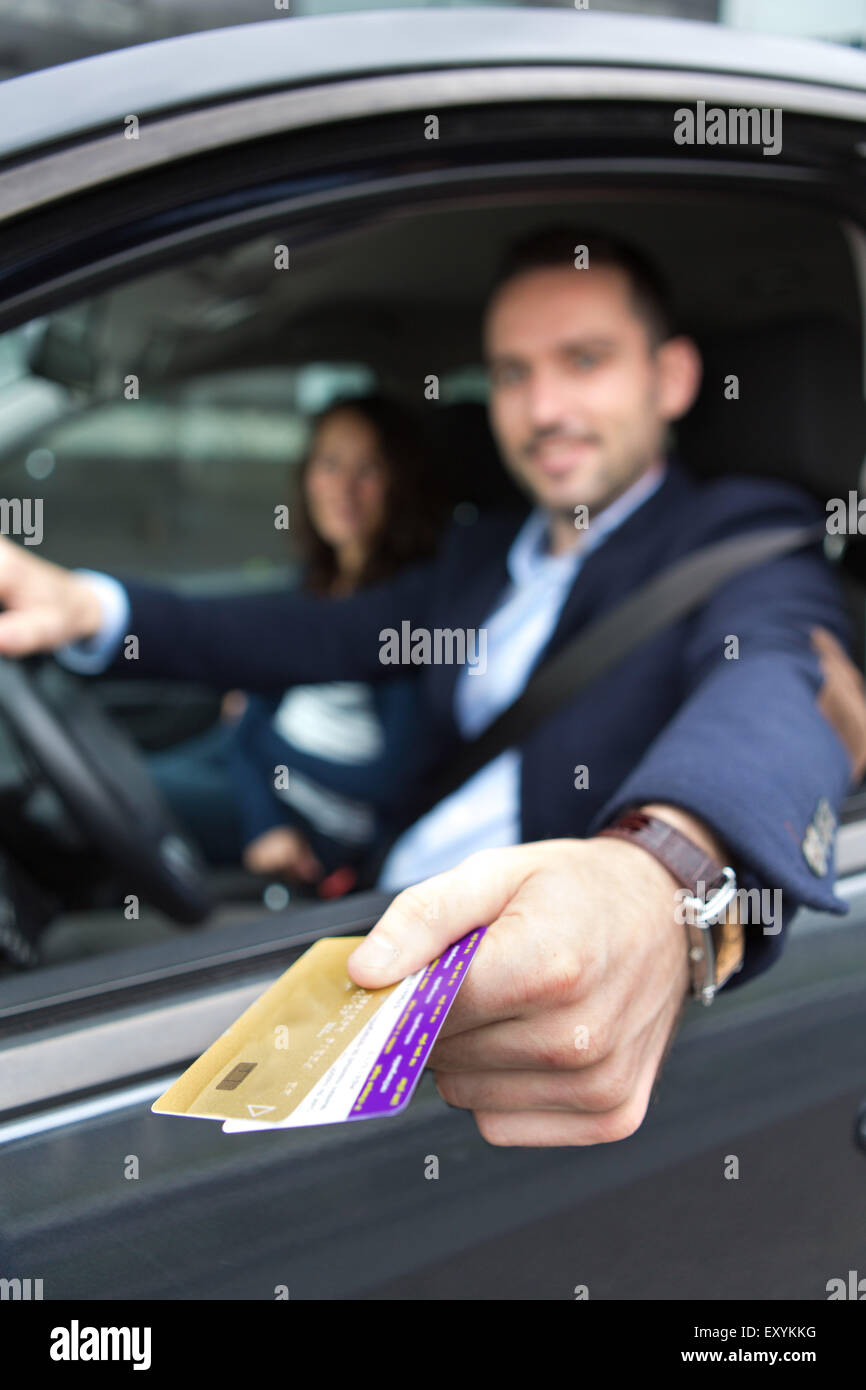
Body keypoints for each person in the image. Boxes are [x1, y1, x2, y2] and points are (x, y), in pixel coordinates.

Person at [0, 228, 862, 1149]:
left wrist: (658, 873)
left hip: (501, 1003)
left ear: (674, 378)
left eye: (585, 361)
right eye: (514, 374)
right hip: (375, 918)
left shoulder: (738, 544)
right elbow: (308, 631)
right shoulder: (482, 553)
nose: (544, 408)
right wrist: (91, 608)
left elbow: (779, 688)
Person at [146, 394, 441, 887]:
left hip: (321, 821)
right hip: (271, 784)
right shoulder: (318, 580)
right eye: (329, 464)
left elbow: (394, 781)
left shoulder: (406, 608)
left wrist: (263, 746)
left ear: (400, 482)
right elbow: (251, 719)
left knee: (119, 800)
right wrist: (265, 815)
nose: (344, 487)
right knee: (128, 778)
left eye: (368, 469)